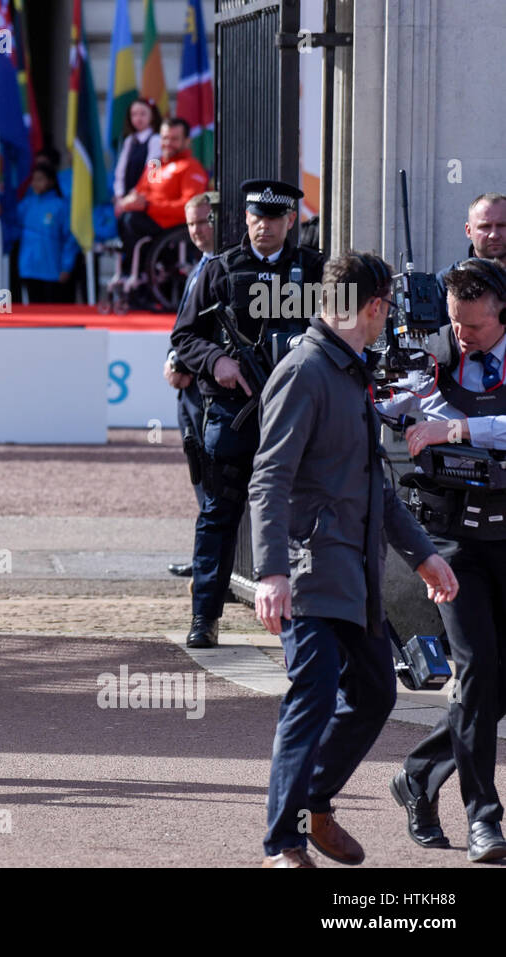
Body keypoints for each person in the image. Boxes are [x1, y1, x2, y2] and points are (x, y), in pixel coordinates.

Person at [249, 251, 457, 868]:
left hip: (353, 572)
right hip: (309, 573)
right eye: (386, 306)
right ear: (372, 306)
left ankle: (314, 800)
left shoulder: (347, 370)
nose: (389, 317)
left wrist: (421, 556)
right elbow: (270, 479)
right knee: (312, 695)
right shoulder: (305, 370)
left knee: (372, 692)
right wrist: (271, 572)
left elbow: (374, 486)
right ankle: (282, 843)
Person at [382, 258, 506, 862]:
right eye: (455, 323)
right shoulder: (429, 365)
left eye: (474, 326)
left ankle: (418, 775)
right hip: (454, 546)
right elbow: (379, 404)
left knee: (493, 686)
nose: (463, 335)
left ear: (501, 314)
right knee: (478, 668)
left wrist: (456, 431)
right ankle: (486, 818)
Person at [171, 179, 326, 649]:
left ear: (289, 221)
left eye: (274, 219)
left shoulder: (314, 271)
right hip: (234, 412)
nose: (264, 227)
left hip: (296, 414)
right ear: (245, 219)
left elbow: (346, 330)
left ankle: (306, 615)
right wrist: (216, 361)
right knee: (219, 514)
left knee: (306, 514)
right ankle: (205, 617)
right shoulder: (220, 270)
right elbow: (184, 336)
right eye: (256, 218)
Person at [163, 191, 218, 576]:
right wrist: (172, 360)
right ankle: (206, 561)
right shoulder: (200, 264)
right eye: (191, 224)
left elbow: (210, 331)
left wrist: (186, 365)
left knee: (213, 481)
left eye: (202, 222)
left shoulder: (222, 268)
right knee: (198, 475)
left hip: (205, 388)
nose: (196, 231)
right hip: (188, 388)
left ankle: (213, 565)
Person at [112, 117, 208, 281]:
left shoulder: (190, 167)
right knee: (125, 218)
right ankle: (129, 272)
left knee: (131, 220)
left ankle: (142, 274)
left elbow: (189, 207)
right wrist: (128, 202)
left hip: (171, 226)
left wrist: (149, 206)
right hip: (149, 220)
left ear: (187, 141)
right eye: (165, 138)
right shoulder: (155, 164)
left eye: (174, 139)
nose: (168, 143)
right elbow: (141, 191)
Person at [14, 160, 77, 304]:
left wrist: (66, 266)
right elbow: (10, 224)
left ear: (51, 181)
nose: (35, 184)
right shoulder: (27, 204)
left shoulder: (61, 206)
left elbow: (70, 239)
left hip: (52, 271)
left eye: (40, 180)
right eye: (34, 180)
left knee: (52, 314)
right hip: (29, 268)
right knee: (34, 314)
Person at [435, 193, 506, 320]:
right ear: (468, 230)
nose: (494, 235)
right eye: (485, 227)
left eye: (502, 226)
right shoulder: (445, 283)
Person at [112, 97, 161, 203]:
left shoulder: (156, 140)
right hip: (126, 198)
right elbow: (120, 171)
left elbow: (153, 171)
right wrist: (119, 194)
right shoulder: (130, 140)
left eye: (143, 114)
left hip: (145, 199)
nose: (138, 118)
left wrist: (138, 192)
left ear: (152, 116)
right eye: (134, 114)